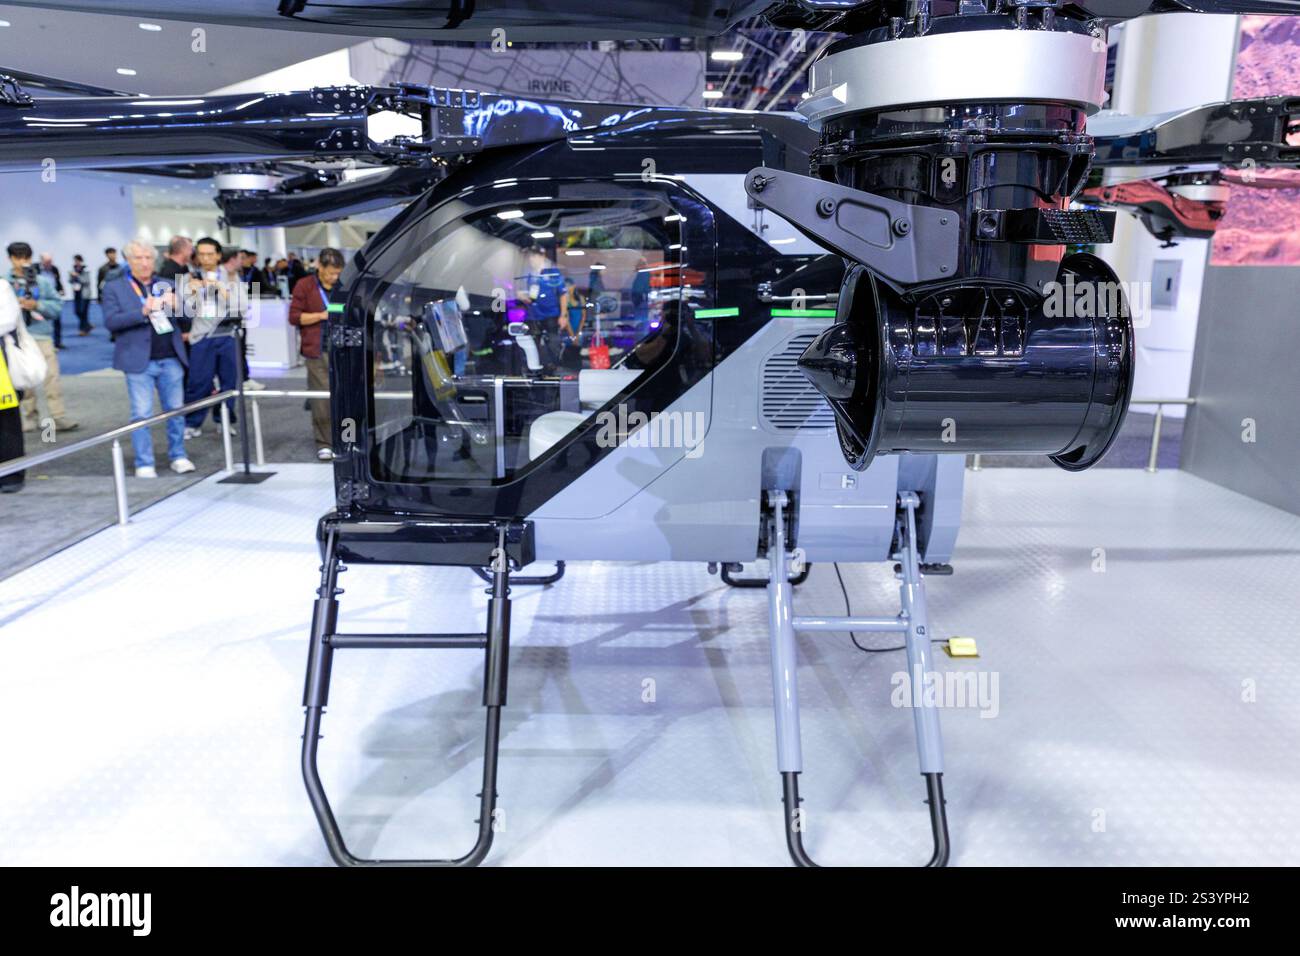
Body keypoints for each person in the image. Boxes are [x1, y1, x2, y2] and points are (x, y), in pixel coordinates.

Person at [101, 238, 194, 478]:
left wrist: (180, 304)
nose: (144, 263)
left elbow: (187, 319)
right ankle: (144, 462)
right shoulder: (115, 288)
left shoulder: (167, 284)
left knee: (175, 411)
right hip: (137, 359)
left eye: (148, 258)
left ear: (155, 260)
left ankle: (179, 455)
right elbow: (111, 322)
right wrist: (143, 311)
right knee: (141, 414)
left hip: (170, 356)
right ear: (128, 261)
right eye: (138, 258)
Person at [8, 242, 78, 433]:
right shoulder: (4, 283)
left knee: (52, 377)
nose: (22, 262)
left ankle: (58, 416)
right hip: (17, 339)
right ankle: (29, 416)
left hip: (42, 335)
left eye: (26, 258)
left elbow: (57, 307)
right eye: (17, 257)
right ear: (11, 259)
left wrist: (37, 305)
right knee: (24, 378)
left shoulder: (43, 281)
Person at [181, 237, 243, 439]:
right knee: (199, 382)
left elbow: (241, 307)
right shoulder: (188, 278)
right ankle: (192, 423)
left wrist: (221, 289)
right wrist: (193, 293)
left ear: (218, 255)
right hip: (202, 337)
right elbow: (186, 312)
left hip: (227, 336)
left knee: (229, 382)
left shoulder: (231, 277)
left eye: (210, 254)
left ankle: (224, 420)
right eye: (201, 254)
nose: (206, 258)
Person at [289, 246, 343, 461]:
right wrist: (322, 315)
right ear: (319, 266)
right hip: (316, 350)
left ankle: (345, 438)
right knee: (322, 398)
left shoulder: (343, 285)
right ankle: (325, 442)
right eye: (330, 272)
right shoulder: (305, 285)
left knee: (343, 396)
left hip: (343, 349)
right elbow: (294, 318)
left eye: (337, 273)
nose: (334, 277)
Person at [0, 278, 26, 492]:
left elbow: (7, 321)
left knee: (7, 422)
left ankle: (12, 475)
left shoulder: (2, 287)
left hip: (3, 366)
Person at [69, 254, 92, 335]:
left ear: (81, 261)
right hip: (77, 293)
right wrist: (72, 277)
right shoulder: (73, 269)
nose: (76, 262)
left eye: (77, 260)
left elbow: (86, 281)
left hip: (85, 294)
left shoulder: (85, 269)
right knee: (77, 311)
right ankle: (87, 325)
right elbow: (70, 281)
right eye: (75, 261)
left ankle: (83, 329)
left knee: (83, 312)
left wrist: (77, 276)